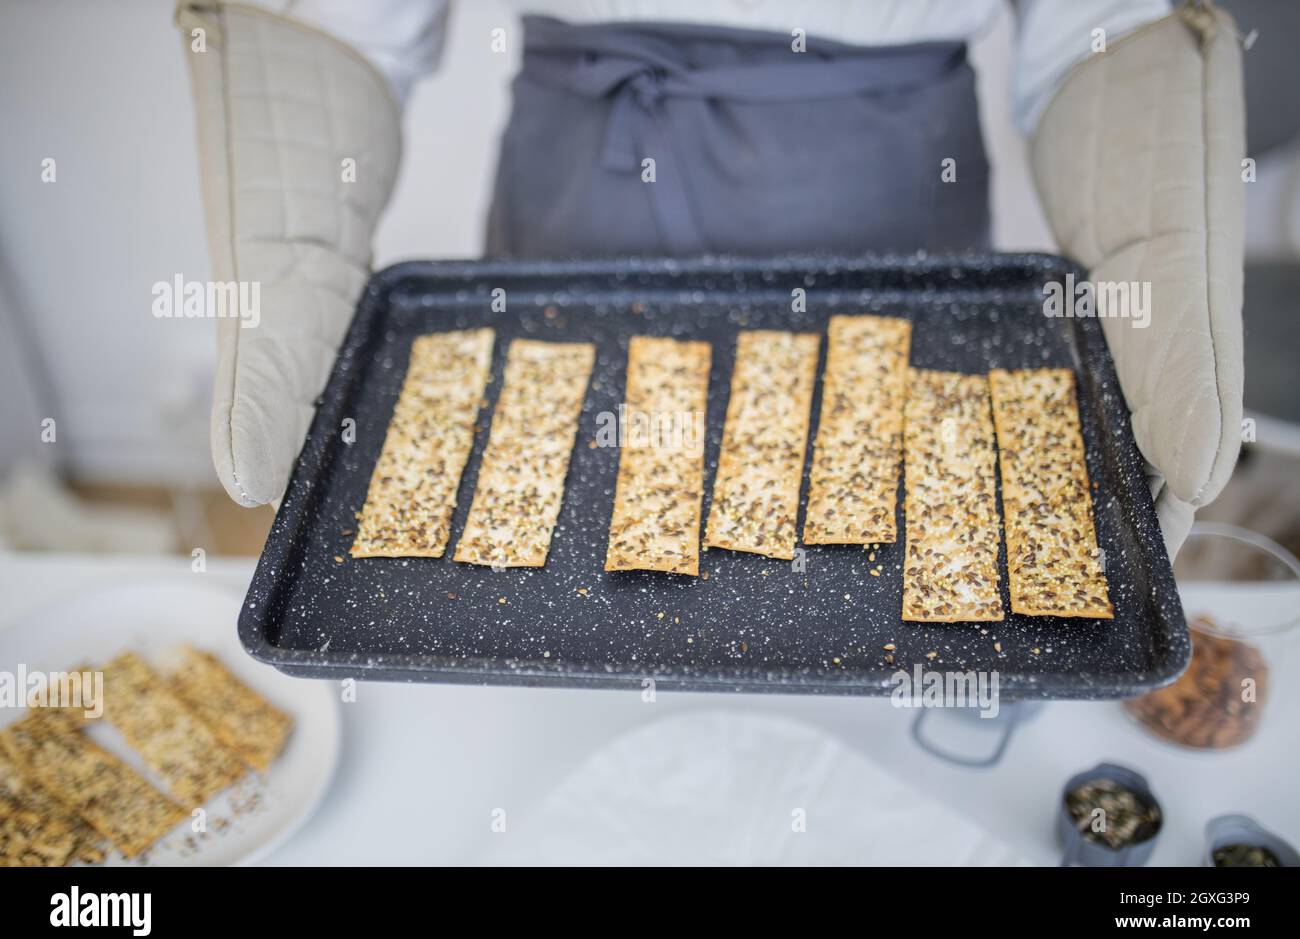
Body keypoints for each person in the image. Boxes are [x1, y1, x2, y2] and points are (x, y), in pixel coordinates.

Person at [175, 0, 1245, 556]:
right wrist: (293, 241)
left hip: (886, 200)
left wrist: (1147, 248)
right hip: (575, 201)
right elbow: (341, 27)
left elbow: (1094, 37)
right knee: (566, 556)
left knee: (868, 586)